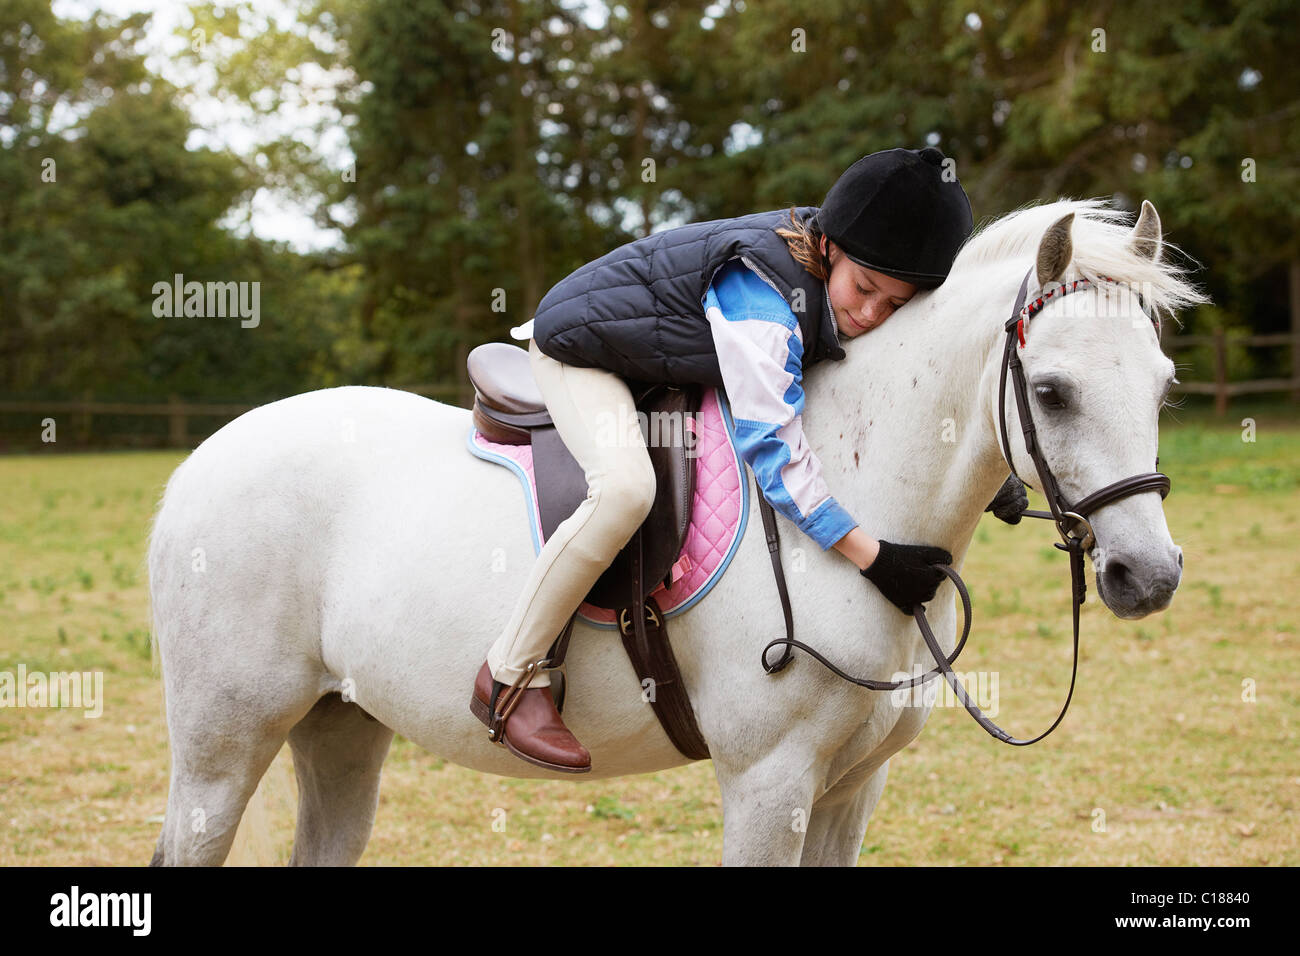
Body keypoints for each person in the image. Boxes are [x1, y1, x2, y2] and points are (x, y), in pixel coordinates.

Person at [471, 146, 1013, 773]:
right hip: (578, 350)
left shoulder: (842, 270)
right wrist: (874, 556)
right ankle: (509, 674)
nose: (869, 314)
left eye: (892, 305)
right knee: (624, 490)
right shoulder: (762, 299)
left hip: (655, 349)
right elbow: (773, 449)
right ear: (830, 247)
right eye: (864, 289)